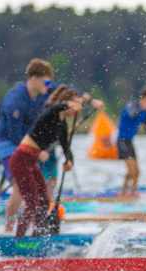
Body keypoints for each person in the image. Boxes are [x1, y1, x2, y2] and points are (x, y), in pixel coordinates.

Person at [8, 86, 88, 237]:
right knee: (32, 202)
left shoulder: (63, 125)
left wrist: (69, 161)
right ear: (67, 102)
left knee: (44, 201)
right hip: (20, 159)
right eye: (74, 105)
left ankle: (38, 236)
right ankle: (19, 239)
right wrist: (68, 104)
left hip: (31, 162)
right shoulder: (51, 113)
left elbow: (66, 147)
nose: (76, 110)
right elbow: (56, 107)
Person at [0, 59, 55, 229]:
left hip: (25, 145)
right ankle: (8, 228)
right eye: (46, 81)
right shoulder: (15, 99)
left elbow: (61, 89)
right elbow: (15, 135)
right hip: (7, 144)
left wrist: (86, 98)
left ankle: (36, 226)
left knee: (36, 187)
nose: (49, 85)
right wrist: (36, 152)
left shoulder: (40, 94)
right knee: (19, 186)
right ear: (34, 78)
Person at [116, 85, 146, 196]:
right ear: (145, 98)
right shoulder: (132, 105)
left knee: (136, 172)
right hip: (122, 141)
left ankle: (129, 192)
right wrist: (143, 107)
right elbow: (132, 114)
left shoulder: (145, 112)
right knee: (132, 171)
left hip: (130, 142)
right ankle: (125, 194)